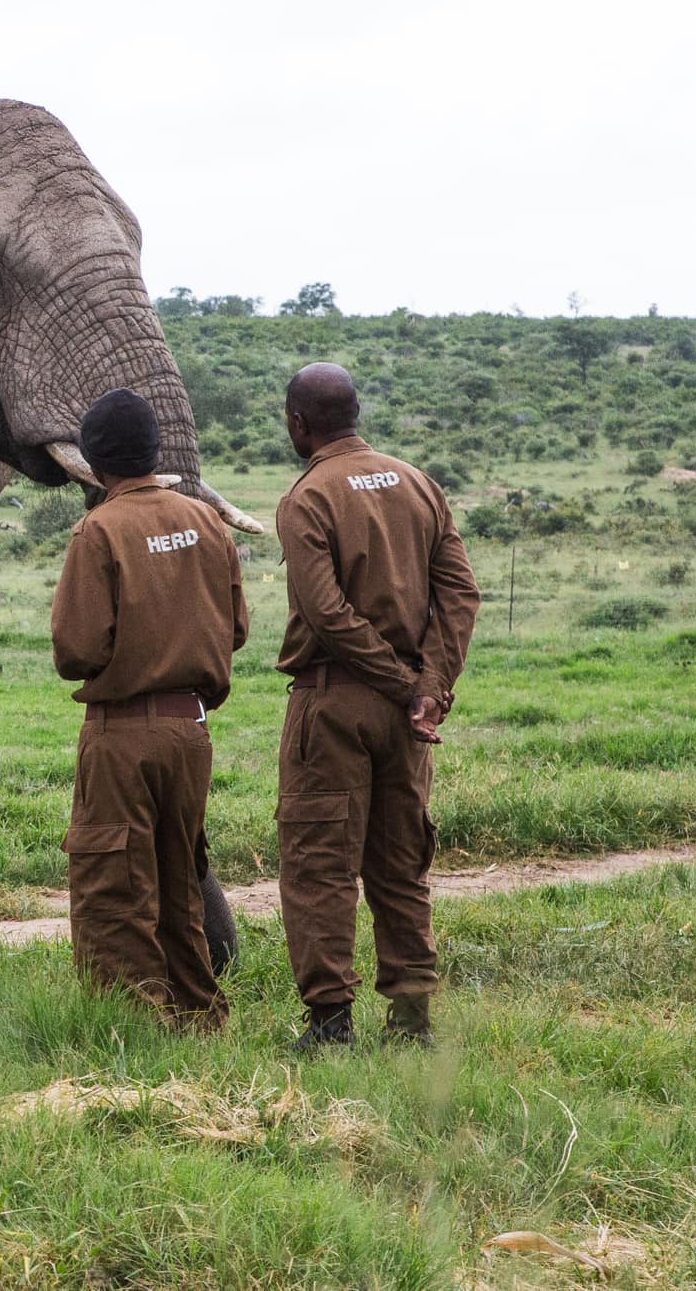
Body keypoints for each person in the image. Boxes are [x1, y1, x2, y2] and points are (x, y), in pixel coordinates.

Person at [273, 363, 480, 1050]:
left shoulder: (307, 498)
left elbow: (325, 613)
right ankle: (411, 1020)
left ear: (299, 424)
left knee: (320, 862)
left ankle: (331, 1021)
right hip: (408, 717)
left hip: (335, 703)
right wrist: (428, 685)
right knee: (400, 864)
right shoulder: (419, 483)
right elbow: (459, 593)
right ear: (356, 414)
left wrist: (400, 681)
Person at [50, 389, 248, 1030]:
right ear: (155, 450)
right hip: (192, 731)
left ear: (93, 461)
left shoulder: (99, 529)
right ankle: (197, 1017)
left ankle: (129, 1025)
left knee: (114, 884)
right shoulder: (205, 520)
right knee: (177, 879)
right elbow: (236, 628)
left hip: (122, 734)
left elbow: (77, 649)